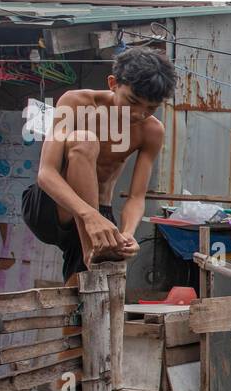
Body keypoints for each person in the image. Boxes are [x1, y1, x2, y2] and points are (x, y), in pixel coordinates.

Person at [21, 47, 176, 285]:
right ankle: (91, 250)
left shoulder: (152, 131)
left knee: (87, 304)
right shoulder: (77, 102)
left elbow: (136, 197)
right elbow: (46, 173)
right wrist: (88, 215)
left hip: (100, 217)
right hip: (50, 206)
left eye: (151, 108)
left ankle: (90, 264)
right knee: (85, 141)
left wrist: (127, 234)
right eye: (133, 101)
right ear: (113, 83)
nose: (139, 113)